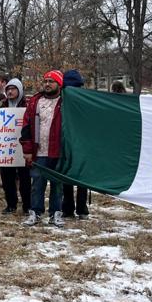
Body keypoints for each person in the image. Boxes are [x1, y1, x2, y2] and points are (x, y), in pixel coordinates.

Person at [20, 69, 64, 228]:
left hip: (58, 152)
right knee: (37, 183)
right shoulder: (35, 101)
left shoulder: (65, 101)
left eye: (51, 81)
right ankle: (35, 213)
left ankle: (56, 213)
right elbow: (26, 126)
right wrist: (27, 149)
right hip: (39, 152)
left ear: (59, 83)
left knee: (57, 184)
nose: (47, 84)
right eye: (45, 81)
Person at [0, 78, 31, 215]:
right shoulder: (2, 105)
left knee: (25, 179)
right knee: (7, 178)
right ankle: (11, 204)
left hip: (23, 148)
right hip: (6, 148)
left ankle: (27, 205)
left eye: (13, 89)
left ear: (19, 90)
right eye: (8, 89)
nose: (10, 91)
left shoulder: (28, 104)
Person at [60, 70, 89, 220]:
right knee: (67, 174)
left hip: (82, 142)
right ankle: (68, 207)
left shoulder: (86, 101)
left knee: (81, 175)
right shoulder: (61, 100)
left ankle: (81, 207)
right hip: (66, 141)